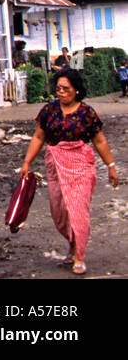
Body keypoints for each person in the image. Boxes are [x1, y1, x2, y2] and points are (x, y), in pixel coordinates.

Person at [20, 67, 119, 274]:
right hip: (55, 164)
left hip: (81, 165)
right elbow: (39, 137)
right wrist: (27, 162)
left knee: (78, 209)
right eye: (58, 88)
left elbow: (99, 141)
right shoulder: (49, 111)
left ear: (76, 90)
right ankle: (73, 245)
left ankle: (79, 256)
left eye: (66, 89)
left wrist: (111, 166)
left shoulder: (87, 113)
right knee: (59, 211)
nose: (61, 92)